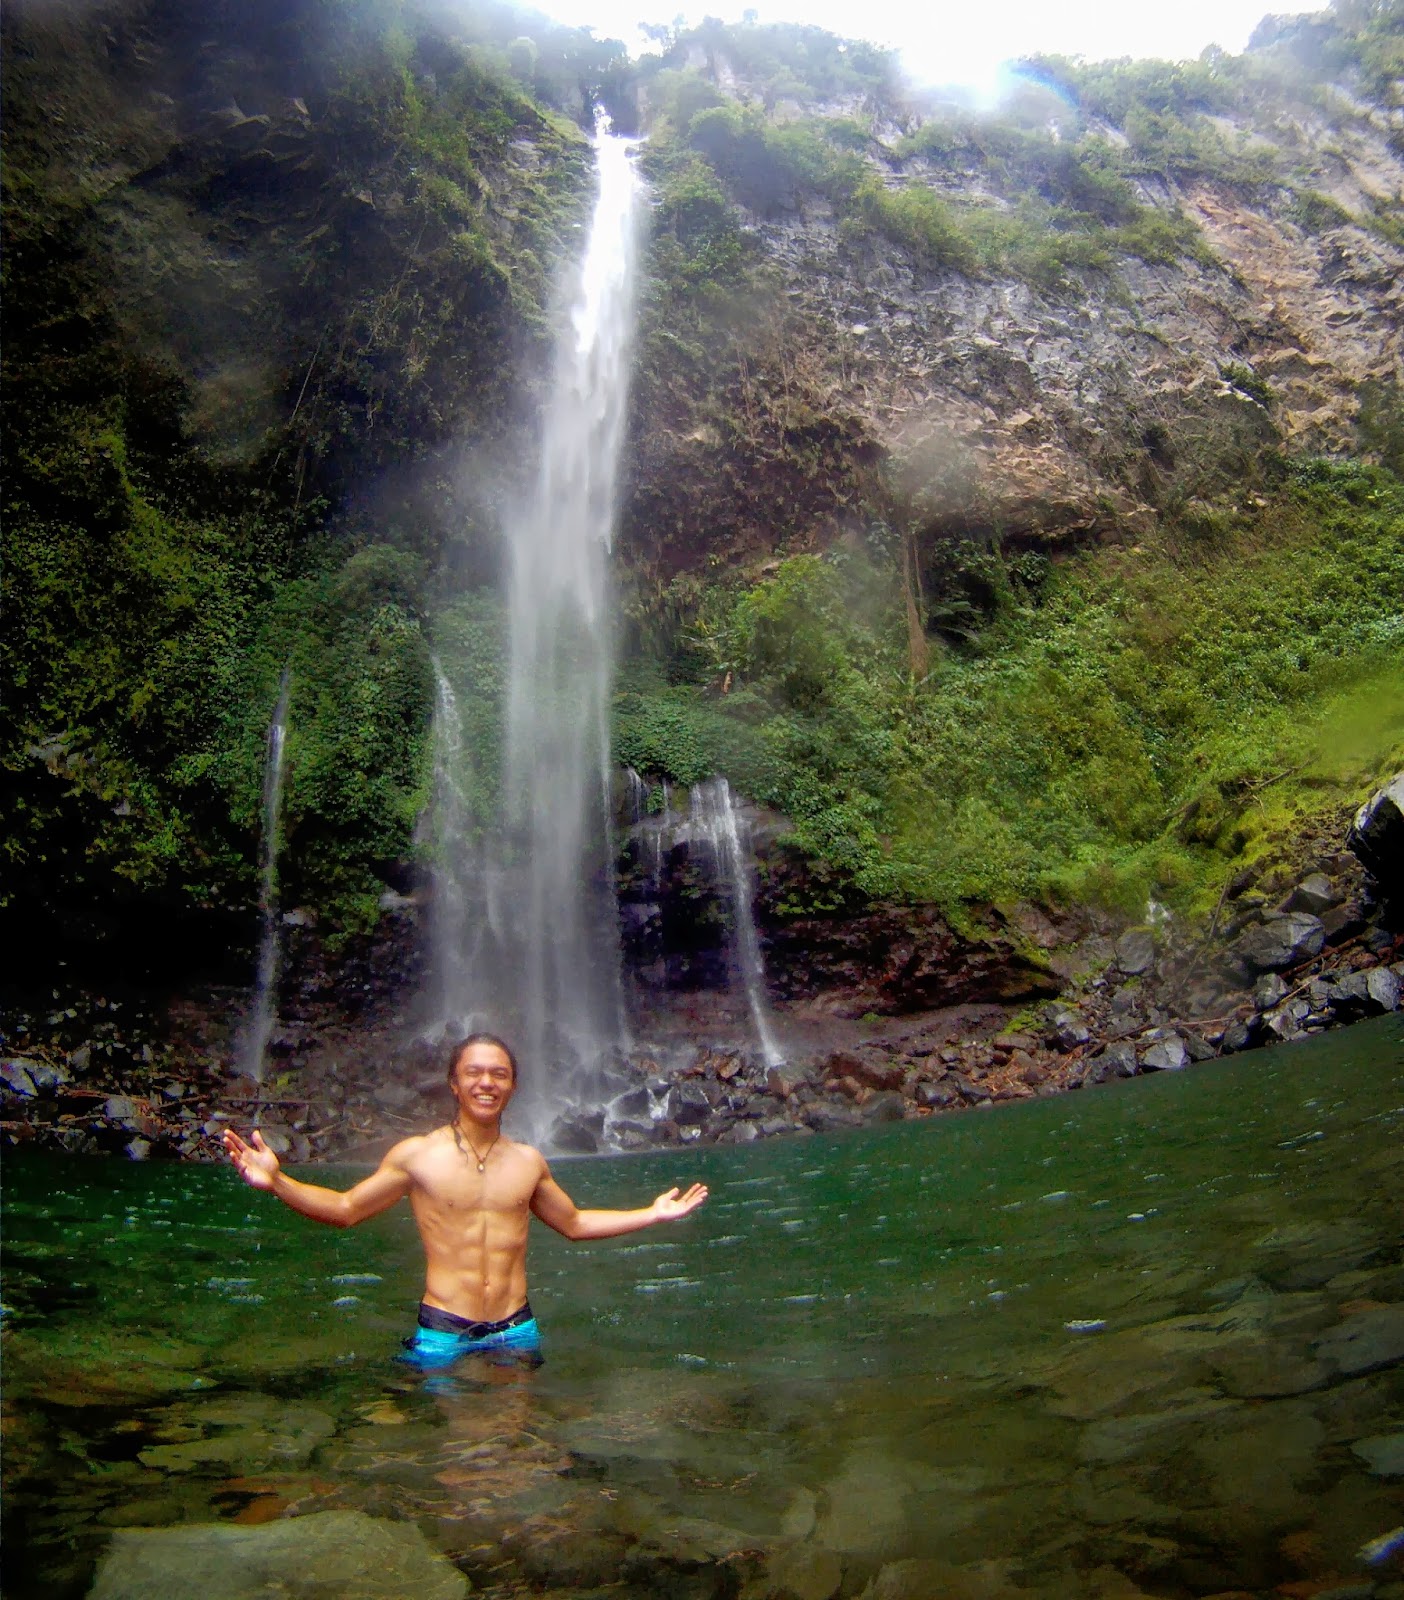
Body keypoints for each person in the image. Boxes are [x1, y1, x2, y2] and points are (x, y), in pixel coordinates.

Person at [222, 1032, 708, 1367]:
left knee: (520, 1445)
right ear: (454, 1084)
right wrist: (279, 1182)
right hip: (444, 1329)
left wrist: (652, 1213)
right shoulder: (417, 1156)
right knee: (454, 1454)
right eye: (474, 1073)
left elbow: (575, 1223)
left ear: (512, 1086)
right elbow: (347, 1210)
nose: (486, 1083)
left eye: (499, 1074)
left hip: (516, 1328)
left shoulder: (529, 1162)